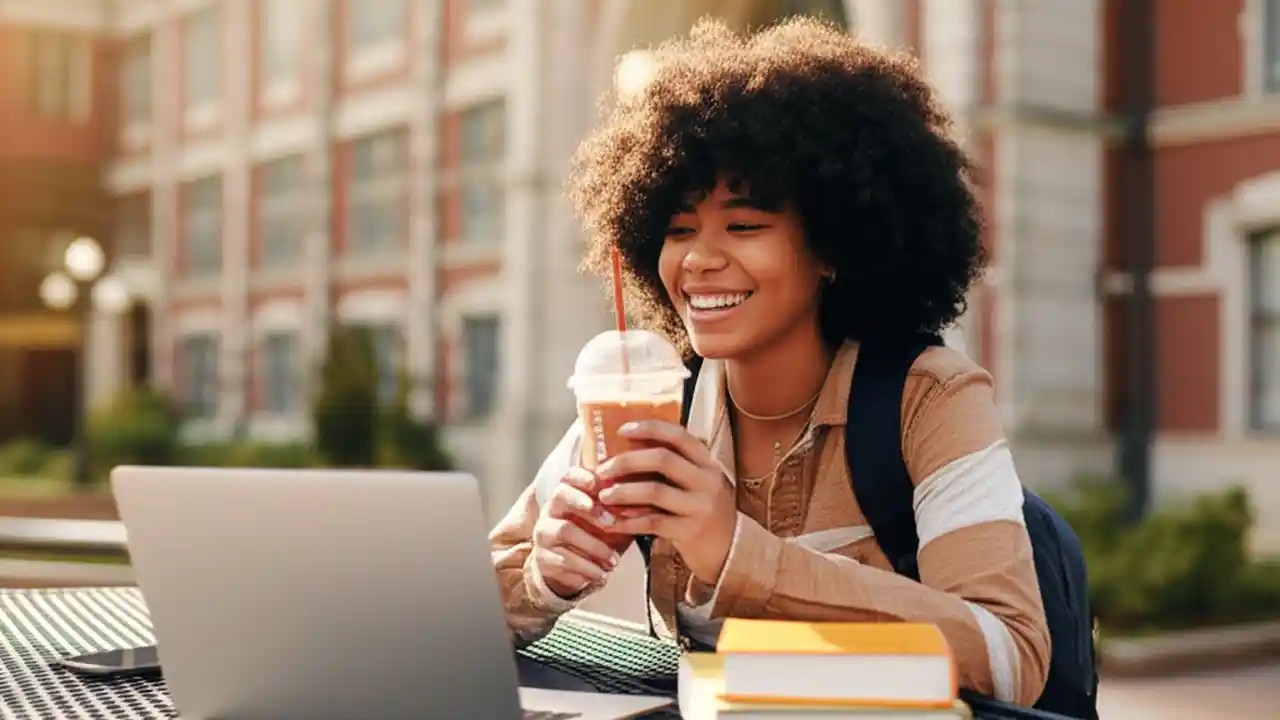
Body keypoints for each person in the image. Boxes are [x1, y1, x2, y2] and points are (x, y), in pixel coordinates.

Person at [490, 17, 1050, 707]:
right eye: (678, 229)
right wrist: (543, 578)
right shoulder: (650, 400)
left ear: (834, 246)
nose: (698, 260)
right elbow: (458, 608)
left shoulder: (928, 397)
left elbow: (1009, 654)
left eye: (745, 226)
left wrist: (734, 552)